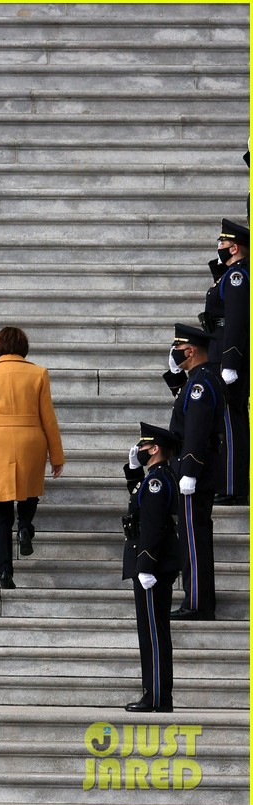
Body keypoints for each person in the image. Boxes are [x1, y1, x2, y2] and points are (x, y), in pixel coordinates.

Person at [0, 326, 65, 589]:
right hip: (30, 439)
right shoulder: (38, 374)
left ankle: (4, 572)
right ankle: (25, 525)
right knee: (29, 490)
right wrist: (57, 456)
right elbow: (49, 419)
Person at [167, 323, 227, 621]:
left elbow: (197, 431)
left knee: (193, 539)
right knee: (194, 537)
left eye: (177, 350)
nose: (174, 354)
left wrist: (188, 469)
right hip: (197, 471)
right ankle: (197, 599)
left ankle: (198, 603)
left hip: (196, 473)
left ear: (190, 351)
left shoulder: (202, 384)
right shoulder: (198, 379)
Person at [120, 422, 181, 713]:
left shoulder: (157, 481)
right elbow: (138, 499)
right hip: (155, 564)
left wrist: (145, 564)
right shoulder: (156, 476)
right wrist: (133, 469)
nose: (139, 450)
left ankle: (155, 696)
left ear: (154, 449)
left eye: (143, 447)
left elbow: (154, 526)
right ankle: (157, 695)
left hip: (152, 566)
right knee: (153, 632)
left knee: (153, 634)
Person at [205, 219, 248, 504]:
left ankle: (233, 486)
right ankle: (228, 482)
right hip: (218, 348)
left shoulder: (238, 277)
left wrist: (230, 361)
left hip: (227, 353)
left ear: (234, 247)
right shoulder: (230, 273)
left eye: (222, 244)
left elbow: (235, 321)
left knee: (231, 423)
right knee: (225, 422)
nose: (218, 248)